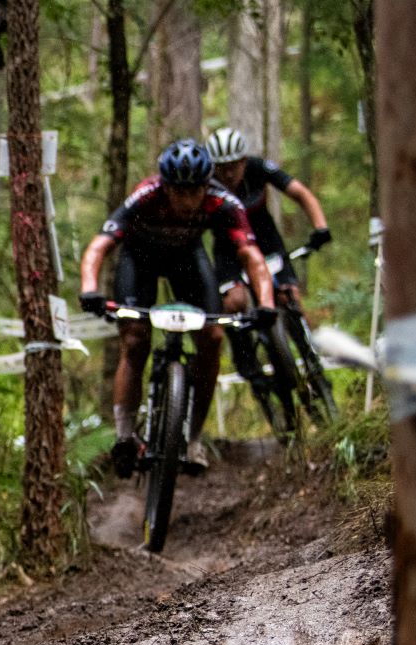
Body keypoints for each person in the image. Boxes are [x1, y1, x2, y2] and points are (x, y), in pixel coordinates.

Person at [78, 139, 276, 477]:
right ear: (165, 186)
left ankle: (194, 438)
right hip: (139, 259)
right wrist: (89, 288)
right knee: (135, 339)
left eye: (194, 191)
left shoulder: (221, 201)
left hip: (187, 260)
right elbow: (99, 247)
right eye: (179, 192)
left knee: (212, 337)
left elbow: (253, 259)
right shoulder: (145, 195)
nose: (187, 200)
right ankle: (125, 437)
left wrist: (267, 304)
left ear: (206, 187)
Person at [205, 126, 333, 392]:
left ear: (243, 160)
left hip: (265, 241)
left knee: (289, 295)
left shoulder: (258, 168)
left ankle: (311, 360)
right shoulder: (207, 183)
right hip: (229, 249)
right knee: (234, 301)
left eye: (233, 165)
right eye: (222, 167)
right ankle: (247, 363)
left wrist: (320, 227)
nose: (228, 173)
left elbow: (300, 193)